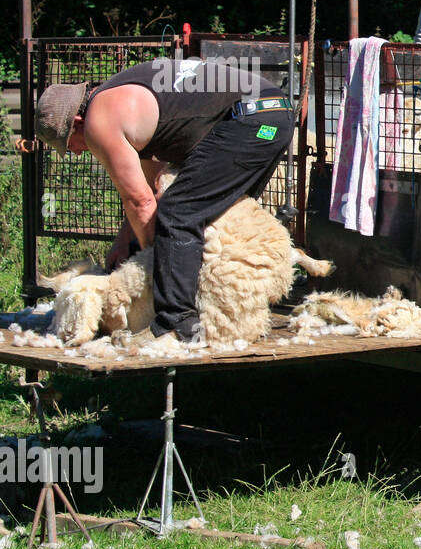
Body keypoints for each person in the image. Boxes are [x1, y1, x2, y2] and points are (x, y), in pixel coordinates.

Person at [35, 59, 294, 344]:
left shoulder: (100, 120)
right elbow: (147, 189)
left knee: (178, 212)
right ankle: (218, 312)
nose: (76, 153)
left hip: (251, 121)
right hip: (272, 117)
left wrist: (149, 266)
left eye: (69, 144)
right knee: (216, 218)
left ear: (77, 122)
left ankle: (176, 322)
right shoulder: (122, 98)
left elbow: (143, 203)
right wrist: (125, 240)